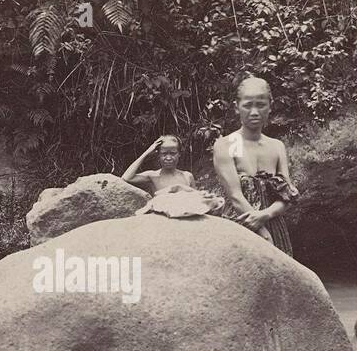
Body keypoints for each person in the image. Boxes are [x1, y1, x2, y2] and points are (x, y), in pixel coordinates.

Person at [212, 75, 299, 254]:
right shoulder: (225, 145)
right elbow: (235, 196)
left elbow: (287, 196)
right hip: (240, 225)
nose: (254, 112)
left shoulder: (277, 146)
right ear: (237, 107)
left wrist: (265, 215)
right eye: (247, 105)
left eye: (260, 105)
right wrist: (262, 233)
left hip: (274, 227)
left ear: (270, 106)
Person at [122, 136, 196, 194]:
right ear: (158, 155)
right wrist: (148, 151)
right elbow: (126, 178)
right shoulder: (152, 176)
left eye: (173, 153)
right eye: (164, 154)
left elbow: (197, 200)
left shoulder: (187, 176)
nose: (168, 158)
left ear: (179, 154)